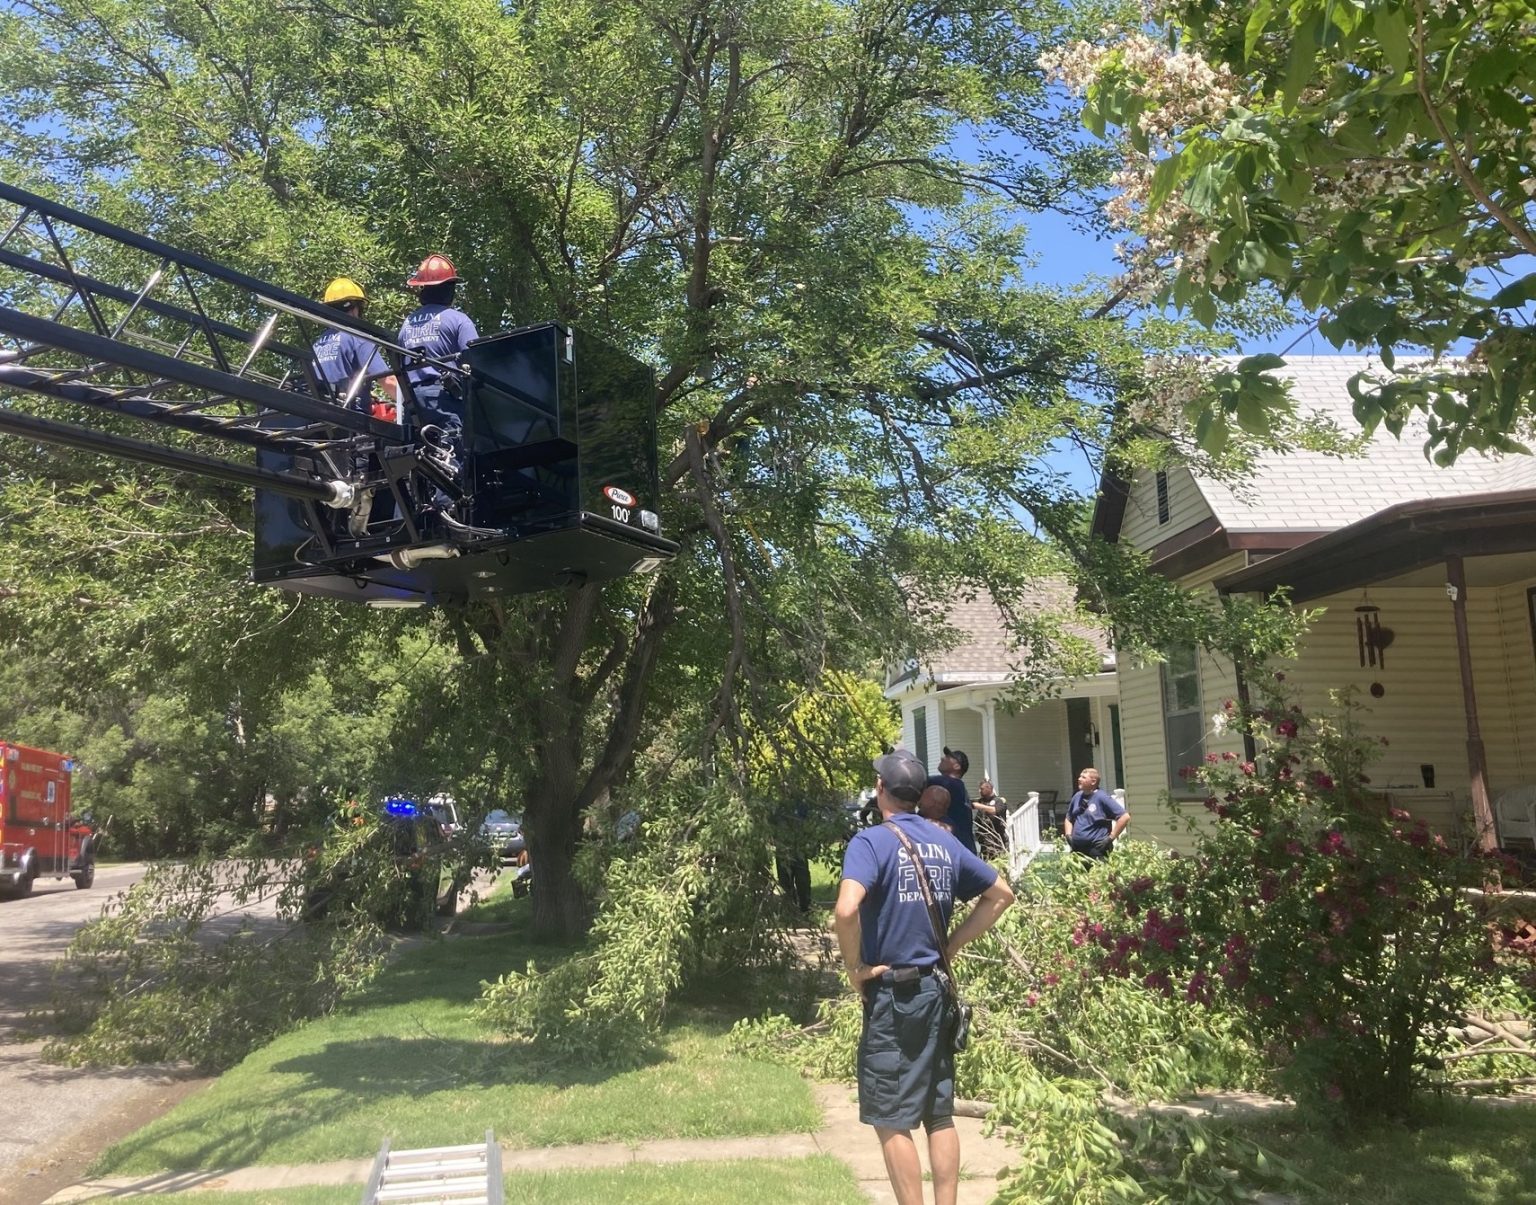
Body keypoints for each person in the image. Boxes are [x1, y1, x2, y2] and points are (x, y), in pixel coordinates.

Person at [835, 748, 1014, 1205]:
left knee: (891, 1117)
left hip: (895, 996)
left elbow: (846, 908)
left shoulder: (870, 842)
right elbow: (1000, 894)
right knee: (939, 1114)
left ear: (881, 791)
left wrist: (855, 968)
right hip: (938, 989)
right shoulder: (944, 842)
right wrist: (950, 946)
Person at [397, 254, 479, 446]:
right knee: (455, 459)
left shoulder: (406, 325)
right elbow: (476, 363)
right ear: (449, 289)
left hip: (413, 404)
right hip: (445, 400)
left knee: (420, 462)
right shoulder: (458, 320)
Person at [312, 277, 398, 419]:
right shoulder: (357, 338)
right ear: (354, 309)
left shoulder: (317, 344)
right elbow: (388, 381)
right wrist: (413, 403)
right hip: (354, 421)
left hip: (321, 418)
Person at [1063, 767, 1129, 860]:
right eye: (1080, 777)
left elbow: (1124, 817)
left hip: (1097, 850)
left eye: (1083, 777)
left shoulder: (1102, 797)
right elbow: (1068, 818)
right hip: (1077, 849)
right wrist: (1068, 835)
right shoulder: (1077, 796)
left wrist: (1110, 839)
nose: (1079, 779)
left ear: (1093, 782)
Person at [928, 747, 976, 854]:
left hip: (957, 852)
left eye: (948, 757)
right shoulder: (958, 787)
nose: (942, 758)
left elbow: (916, 780)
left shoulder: (950, 783)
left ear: (957, 766)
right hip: (965, 850)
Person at [972, 778, 1008, 859]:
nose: (979, 791)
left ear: (989, 788)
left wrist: (979, 806)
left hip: (997, 841)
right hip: (984, 841)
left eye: (982, 789)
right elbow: (969, 803)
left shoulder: (999, 801)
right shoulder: (981, 801)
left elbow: (995, 810)